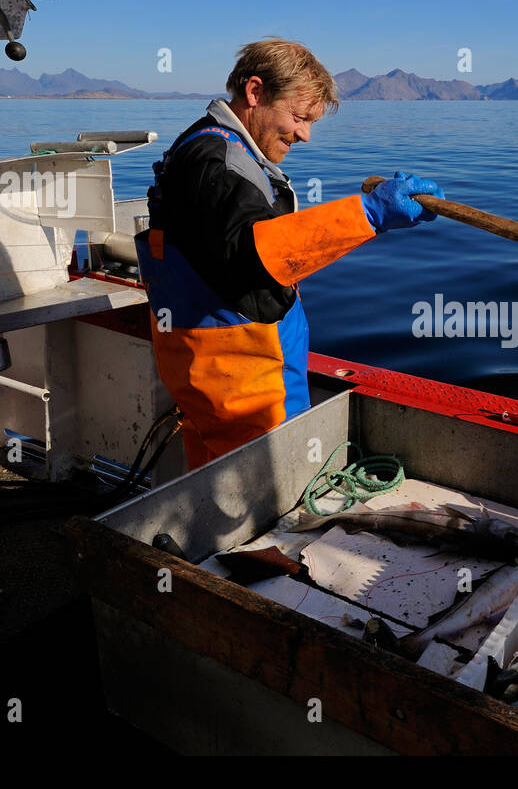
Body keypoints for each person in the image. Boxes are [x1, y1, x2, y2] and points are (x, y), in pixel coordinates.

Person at [135, 38, 442, 469]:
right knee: (262, 492)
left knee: (214, 478)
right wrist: (368, 215)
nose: (304, 134)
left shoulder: (213, 147)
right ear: (255, 93)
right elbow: (255, 253)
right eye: (299, 117)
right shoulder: (219, 162)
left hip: (218, 362)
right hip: (243, 376)